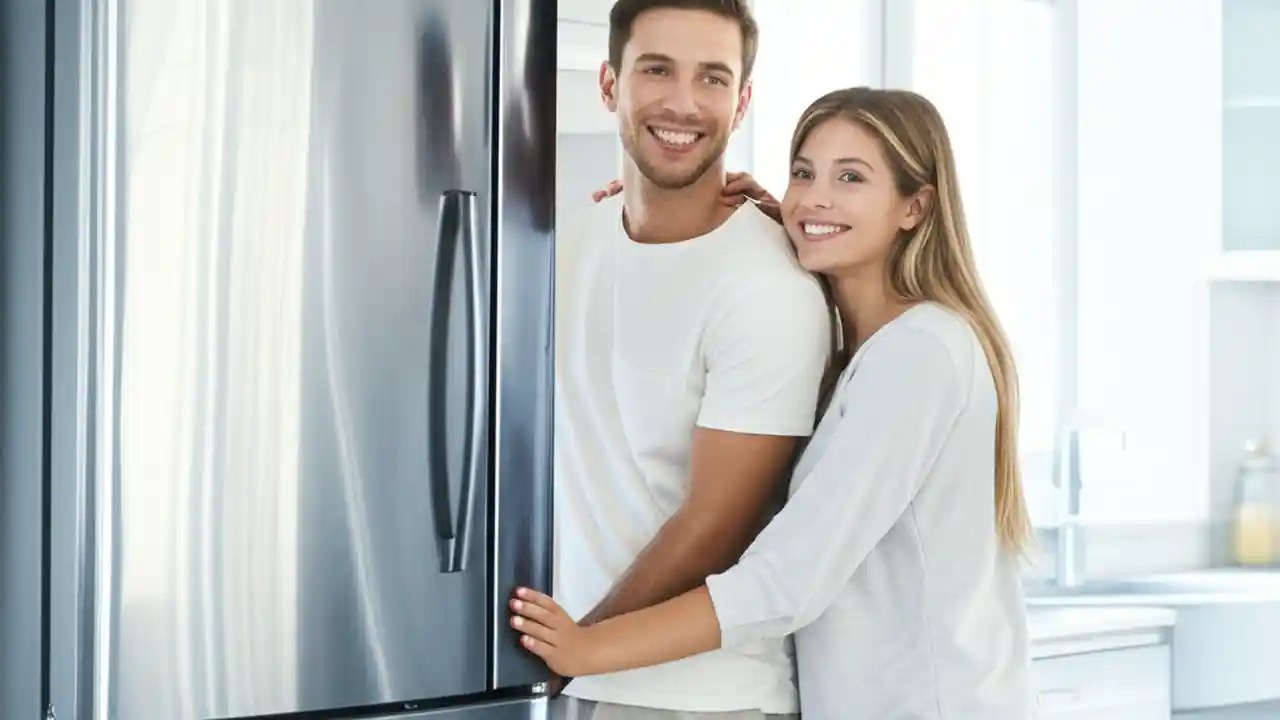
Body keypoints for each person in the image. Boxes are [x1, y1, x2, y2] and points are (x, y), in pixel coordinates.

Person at [518, 87, 1036, 719]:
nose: (815, 196)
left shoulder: (919, 354)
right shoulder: (867, 350)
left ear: (914, 206)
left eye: (851, 178)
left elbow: (788, 579)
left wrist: (589, 648)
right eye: (803, 173)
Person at [551, 0, 832, 718]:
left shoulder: (767, 287)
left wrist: (575, 650)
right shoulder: (573, 244)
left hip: (706, 697)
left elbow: (715, 523)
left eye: (712, 78)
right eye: (657, 70)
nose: (684, 102)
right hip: (587, 680)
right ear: (609, 85)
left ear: (741, 104)